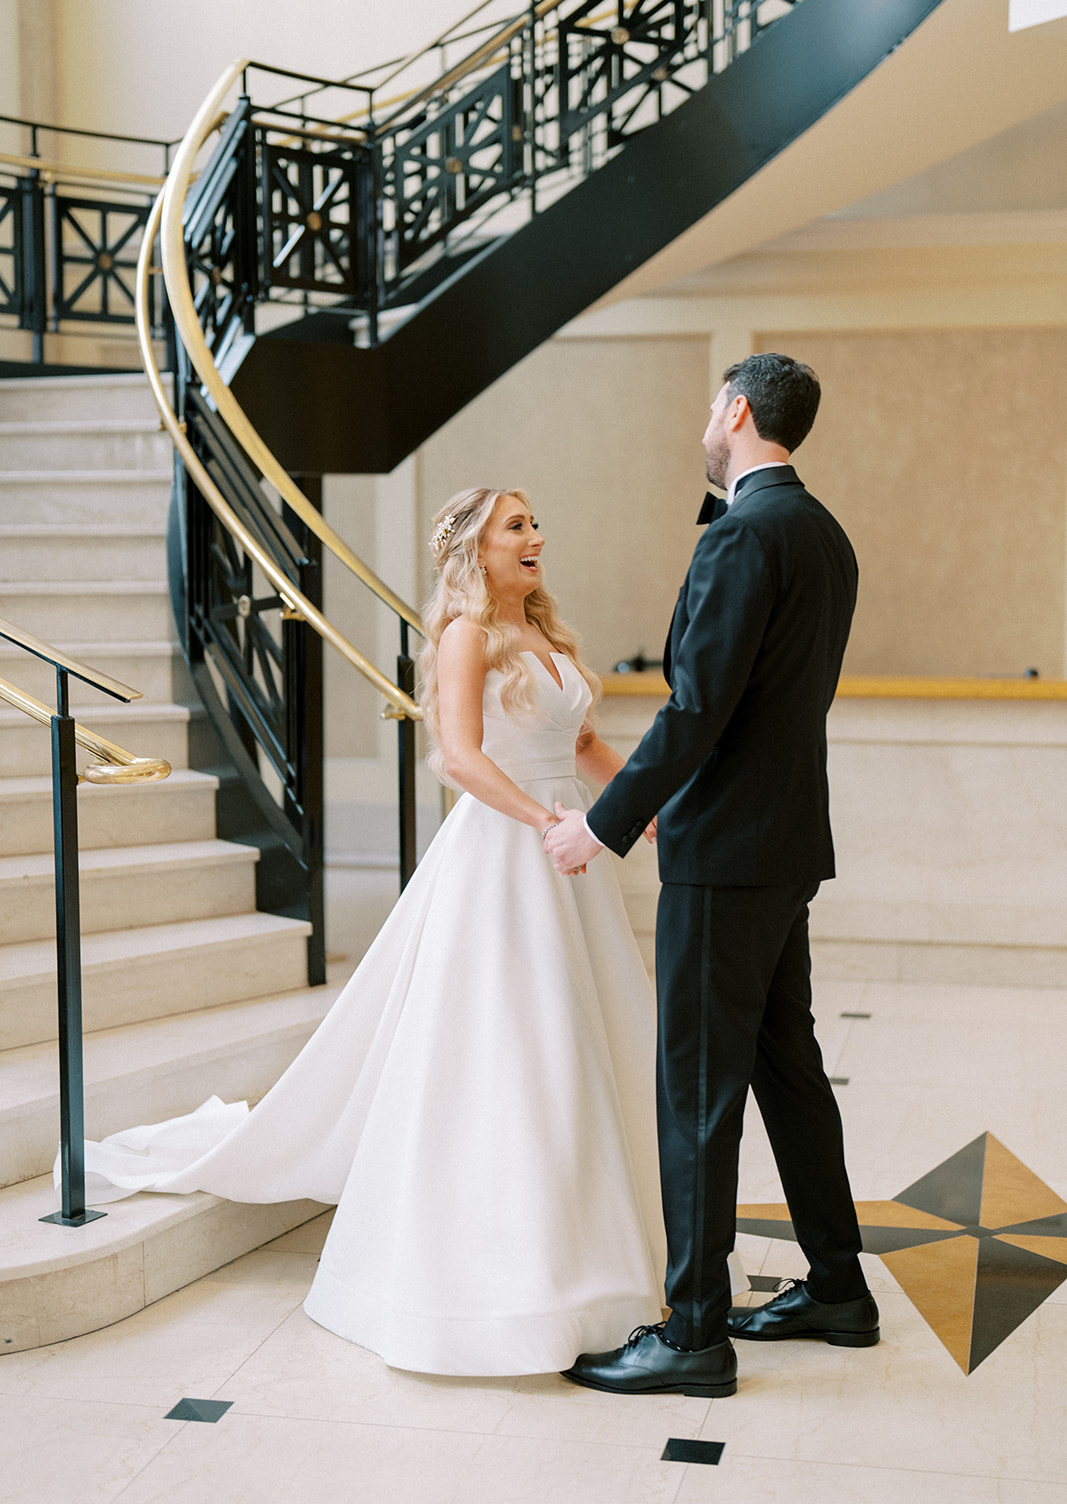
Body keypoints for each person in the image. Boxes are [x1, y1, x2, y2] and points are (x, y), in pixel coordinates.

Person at [72, 486, 671, 1378]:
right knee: (518, 1043)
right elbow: (459, 757)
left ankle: (611, 1251)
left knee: (589, 1032)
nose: (537, 536)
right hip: (508, 855)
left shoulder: (549, 635)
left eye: (536, 522)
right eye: (516, 526)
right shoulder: (467, 636)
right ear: (476, 548)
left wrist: (637, 807)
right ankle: (510, 1271)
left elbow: (581, 742)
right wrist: (544, 825)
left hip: (568, 848)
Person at [545, 353, 879, 1398]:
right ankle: (835, 1284)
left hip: (723, 856)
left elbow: (698, 709)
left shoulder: (742, 534)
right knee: (785, 1065)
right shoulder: (822, 533)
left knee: (695, 1089)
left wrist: (604, 822)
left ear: (735, 410)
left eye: (708, 405)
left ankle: (692, 1331)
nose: (703, 420)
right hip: (783, 850)